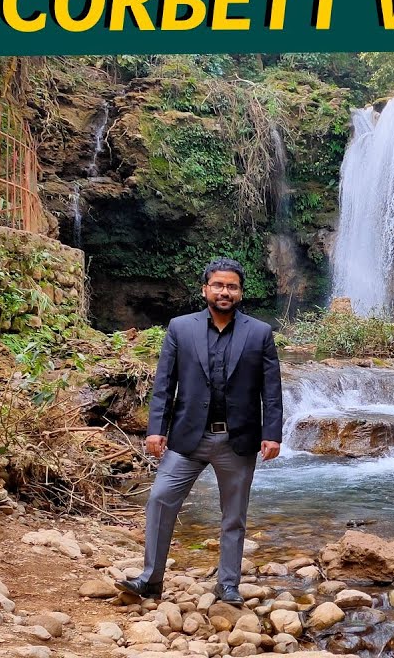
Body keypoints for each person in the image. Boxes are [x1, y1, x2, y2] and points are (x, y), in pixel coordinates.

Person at [116, 257, 282, 605]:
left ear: (240, 293)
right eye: (219, 285)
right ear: (205, 289)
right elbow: (165, 383)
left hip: (237, 441)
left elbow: (271, 389)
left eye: (232, 286)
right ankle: (150, 579)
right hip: (187, 437)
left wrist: (273, 434)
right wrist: (156, 430)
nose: (225, 291)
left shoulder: (259, 332)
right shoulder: (180, 328)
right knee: (160, 499)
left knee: (234, 516)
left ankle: (228, 585)